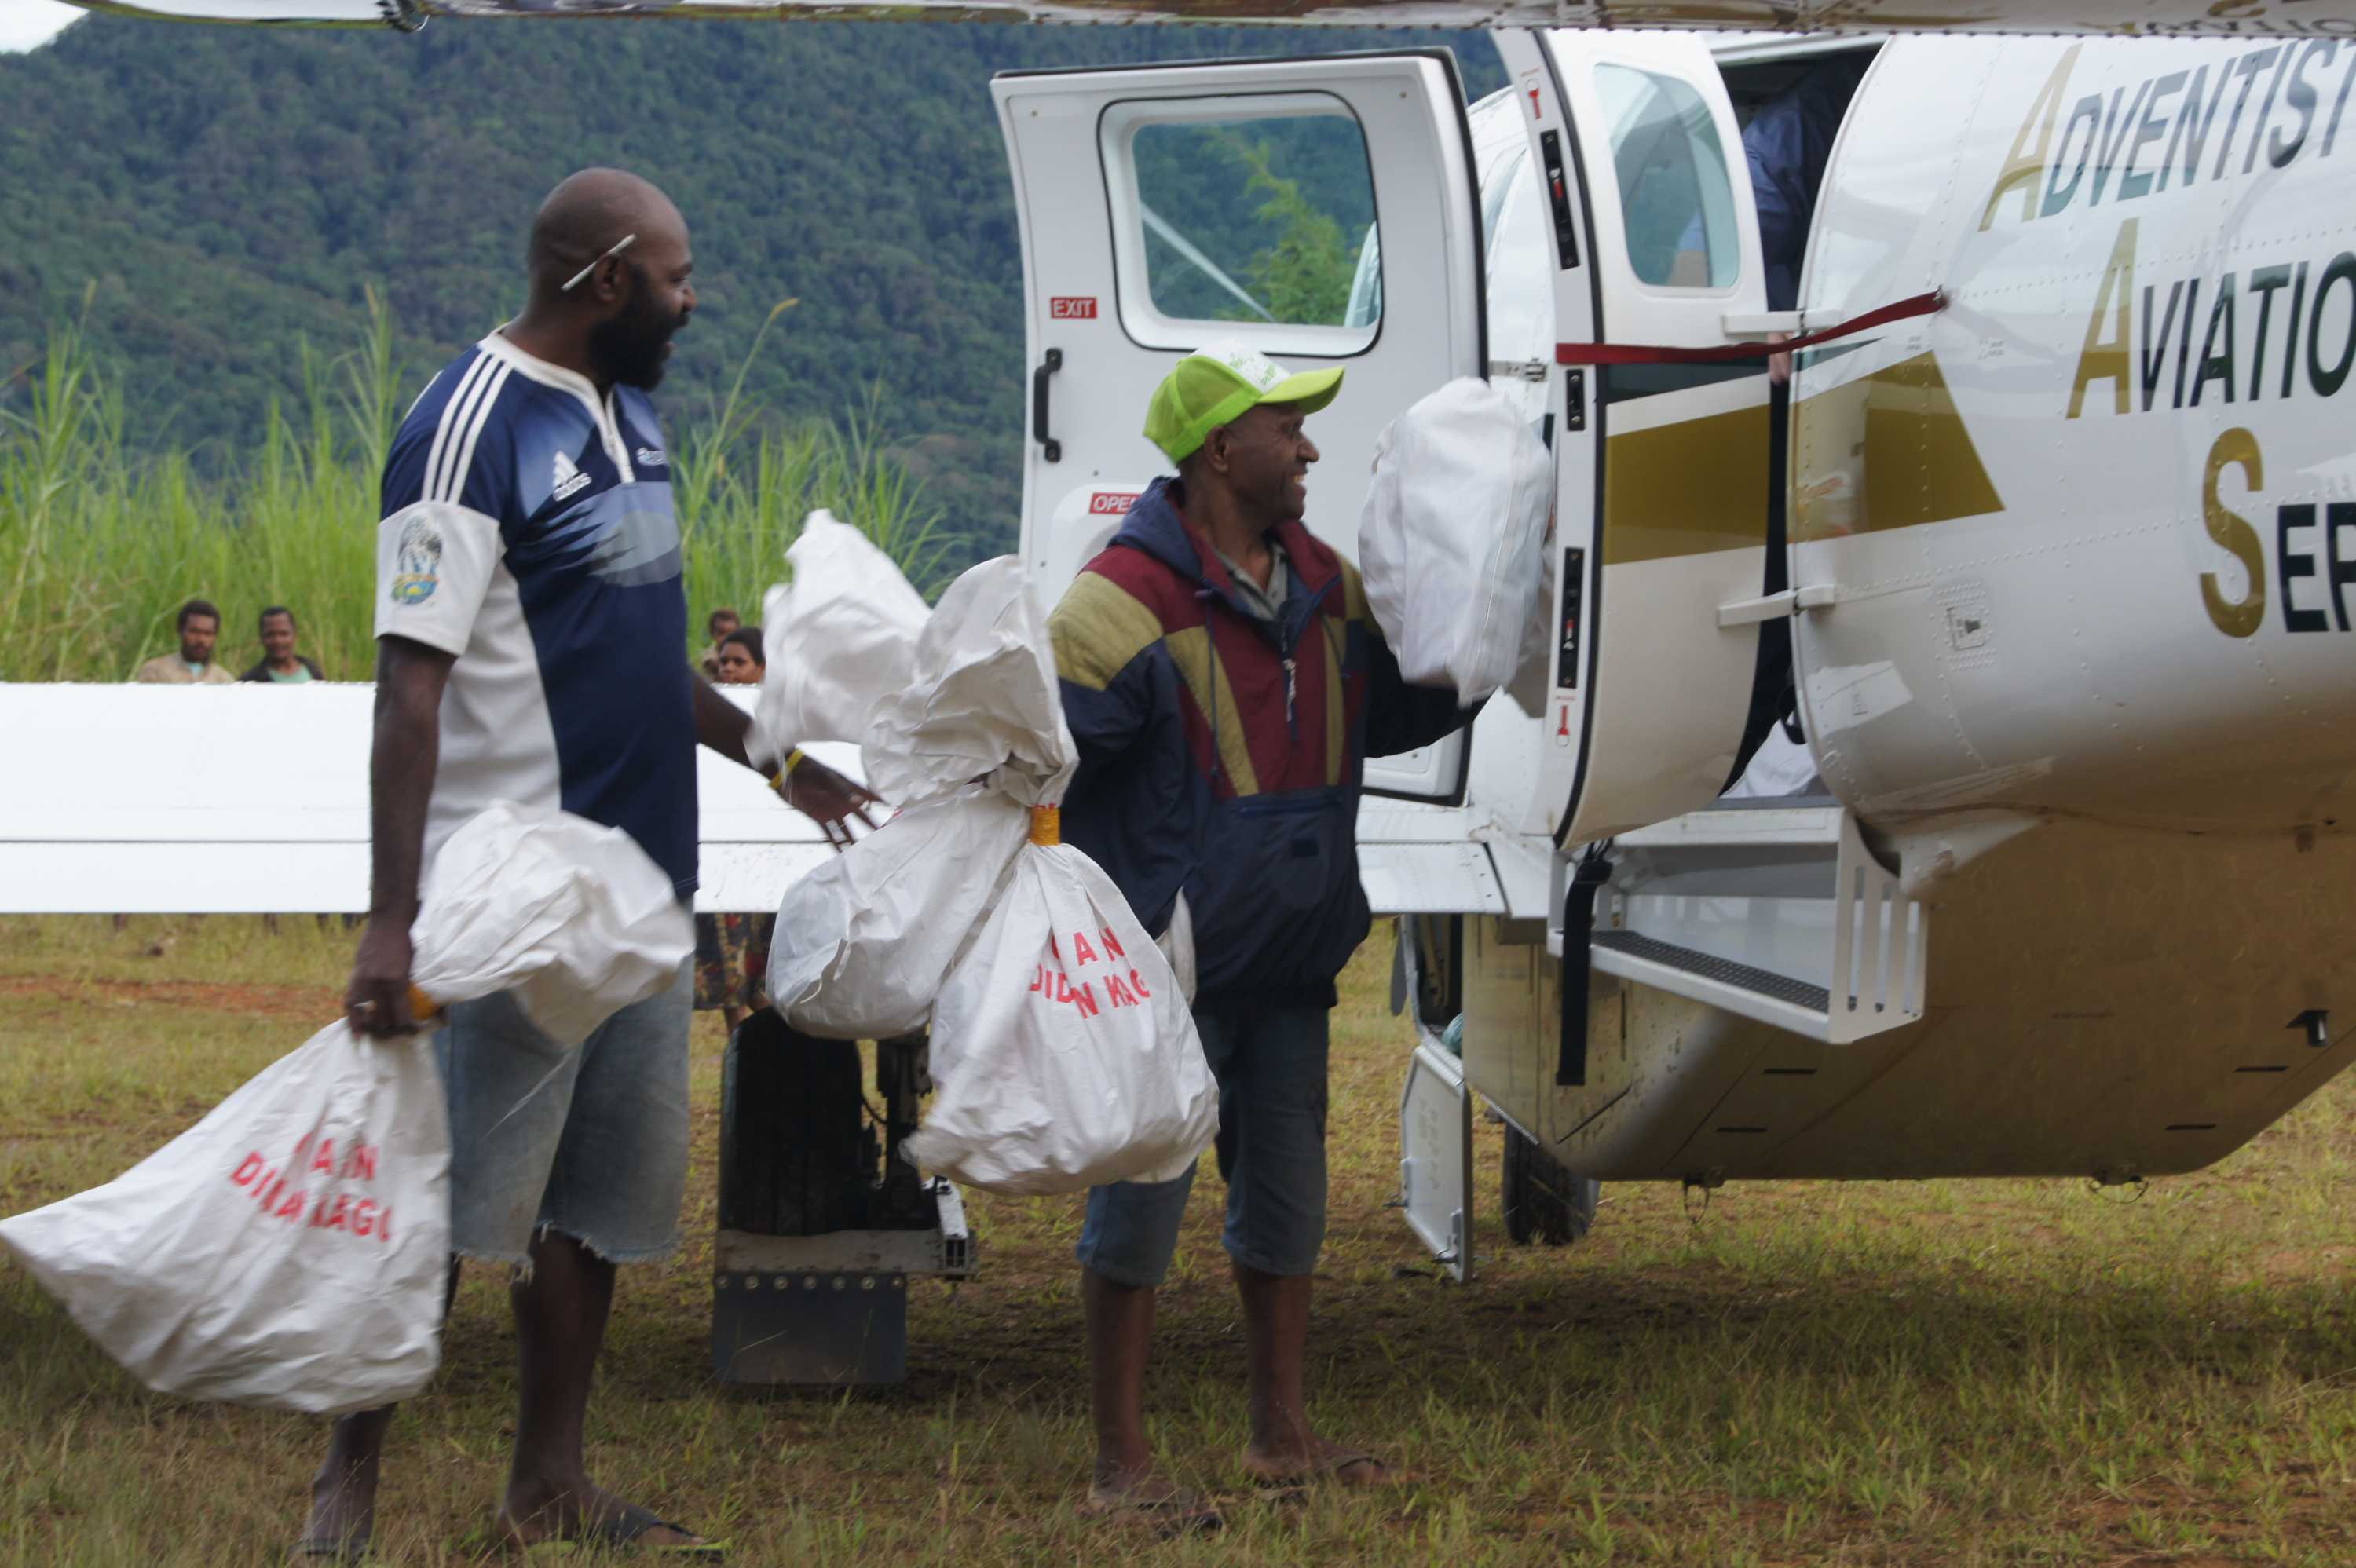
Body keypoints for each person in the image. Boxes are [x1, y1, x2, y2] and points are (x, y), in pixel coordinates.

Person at [317, 166, 873, 1563]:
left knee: (593, 1209)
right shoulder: (465, 430)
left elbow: (639, 651)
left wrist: (774, 757)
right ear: (608, 278)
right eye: (678, 279)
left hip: (642, 892)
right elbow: (407, 690)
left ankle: (546, 1485)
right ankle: (345, 1490)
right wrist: (390, 921)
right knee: (444, 1207)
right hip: (519, 896)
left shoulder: (633, 418)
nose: (695, 302)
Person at [1048, 344, 1474, 1526]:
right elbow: (1045, 762)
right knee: (1140, 1202)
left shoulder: (1326, 585)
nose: (1309, 448)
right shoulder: (1117, 600)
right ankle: (1120, 1463)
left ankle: (1282, 1436)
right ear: (1220, 448)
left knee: (1287, 1198)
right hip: (1170, 970)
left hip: (1290, 956)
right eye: (1288, 428)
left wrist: (1483, 652)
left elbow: (1390, 712)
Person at [694, 625, 770, 1035]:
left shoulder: (775, 716)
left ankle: (773, 1037)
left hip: (767, 852)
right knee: (727, 961)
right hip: (723, 847)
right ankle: (738, 1040)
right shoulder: (709, 715)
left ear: (762, 668)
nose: (729, 669)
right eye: (724, 662)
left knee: (761, 962)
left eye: (739, 662)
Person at [135, 598, 236, 684]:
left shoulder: (223, 679)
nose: (201, 639)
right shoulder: (156, 671)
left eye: (208, 634)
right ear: (180, 631)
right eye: (194, 632)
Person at [240, 605, 325, 683]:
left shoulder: (313, 671)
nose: (278, 641)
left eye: (284, 634)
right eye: (270, 635)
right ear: (261, 638)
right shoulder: (252, 680)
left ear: (295, 635)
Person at [698, 606, 741, 678]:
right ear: (712, 633)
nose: (727, 638)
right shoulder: (710, 655)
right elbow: (715, 665)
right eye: (722, 633)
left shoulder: (741, 650)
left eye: (732, 633)